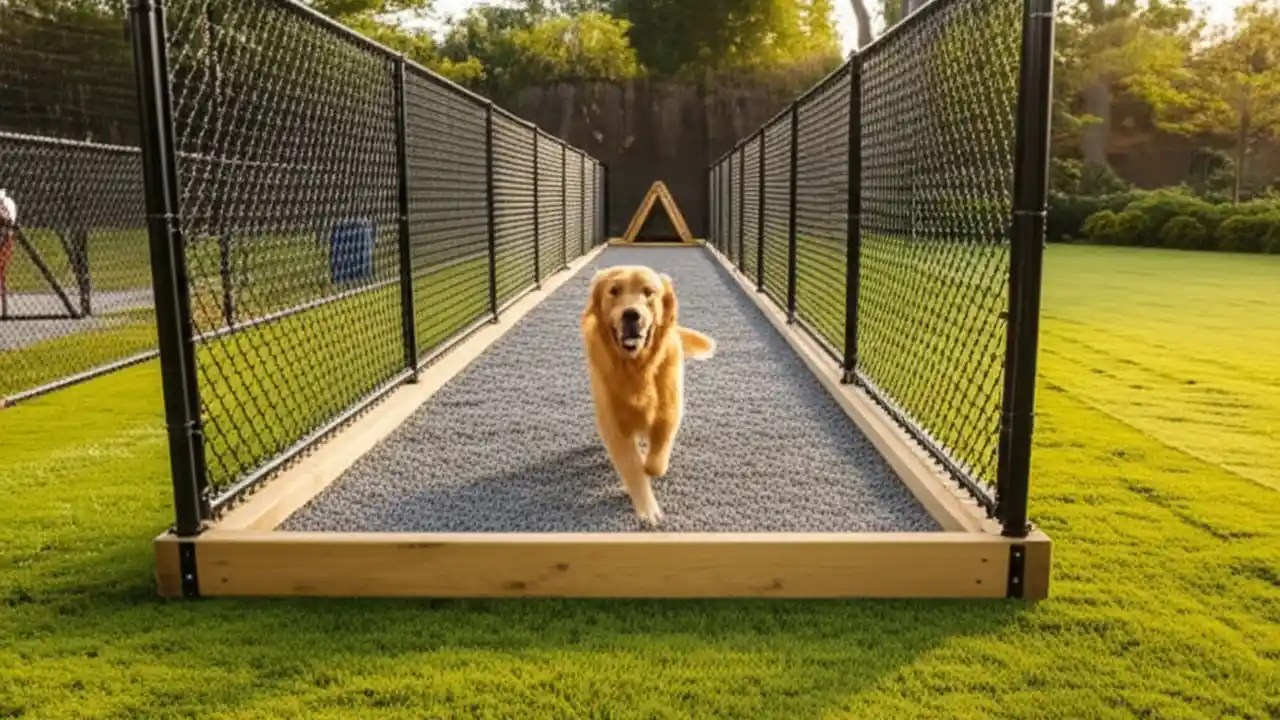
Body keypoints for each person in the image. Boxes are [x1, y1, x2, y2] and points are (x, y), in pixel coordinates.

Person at [1, 190, 16, 315]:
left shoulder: (7, 203)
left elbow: (10, 221)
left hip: (4, 242)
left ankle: (4, 309)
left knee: (1, 272)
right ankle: (4, 309)